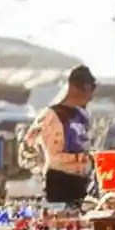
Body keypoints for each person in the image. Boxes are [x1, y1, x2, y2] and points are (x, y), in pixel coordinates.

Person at [26, 65, 97, 204]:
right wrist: (82, 158)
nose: (90, 96)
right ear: (76, 87)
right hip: (60, 181)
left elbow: (84, 143)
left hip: (81, 181)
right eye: (89, 89)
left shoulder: (81, 116)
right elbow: (52, 157)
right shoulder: (53, 116)